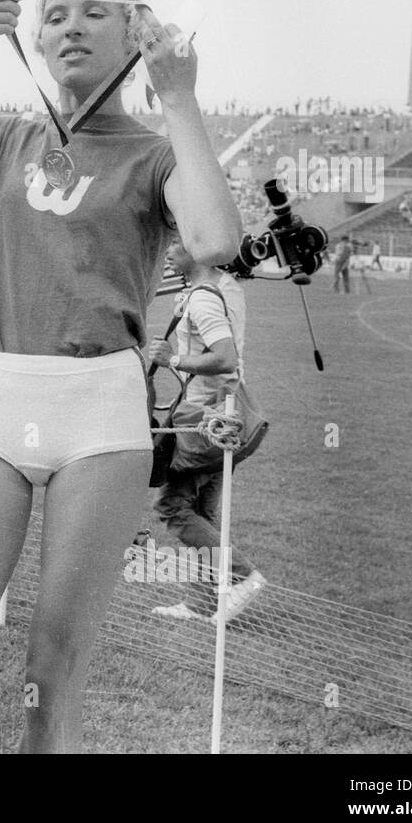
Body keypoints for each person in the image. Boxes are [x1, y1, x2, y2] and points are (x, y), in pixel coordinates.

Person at [0, 0, 241, 752]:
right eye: (55, 15)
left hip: (98, 409)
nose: (70, 26)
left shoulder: (155, 153)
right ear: (34, 39)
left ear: (135, 32)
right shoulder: (9, 135)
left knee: (53, 674)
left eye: (93, 14)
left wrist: (178, 96)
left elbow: (215, 240)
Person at [147, 239, 265, 622]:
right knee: (202, 511)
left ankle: (243, 575)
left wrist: (173, 360)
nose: (167, 251)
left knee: (172, 506)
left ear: (199, 250)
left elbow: (225, 357)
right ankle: (200, 603)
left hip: (204, 419)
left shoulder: (201, 299)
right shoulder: (227, 287)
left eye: (175, 245)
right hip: (225, 414)